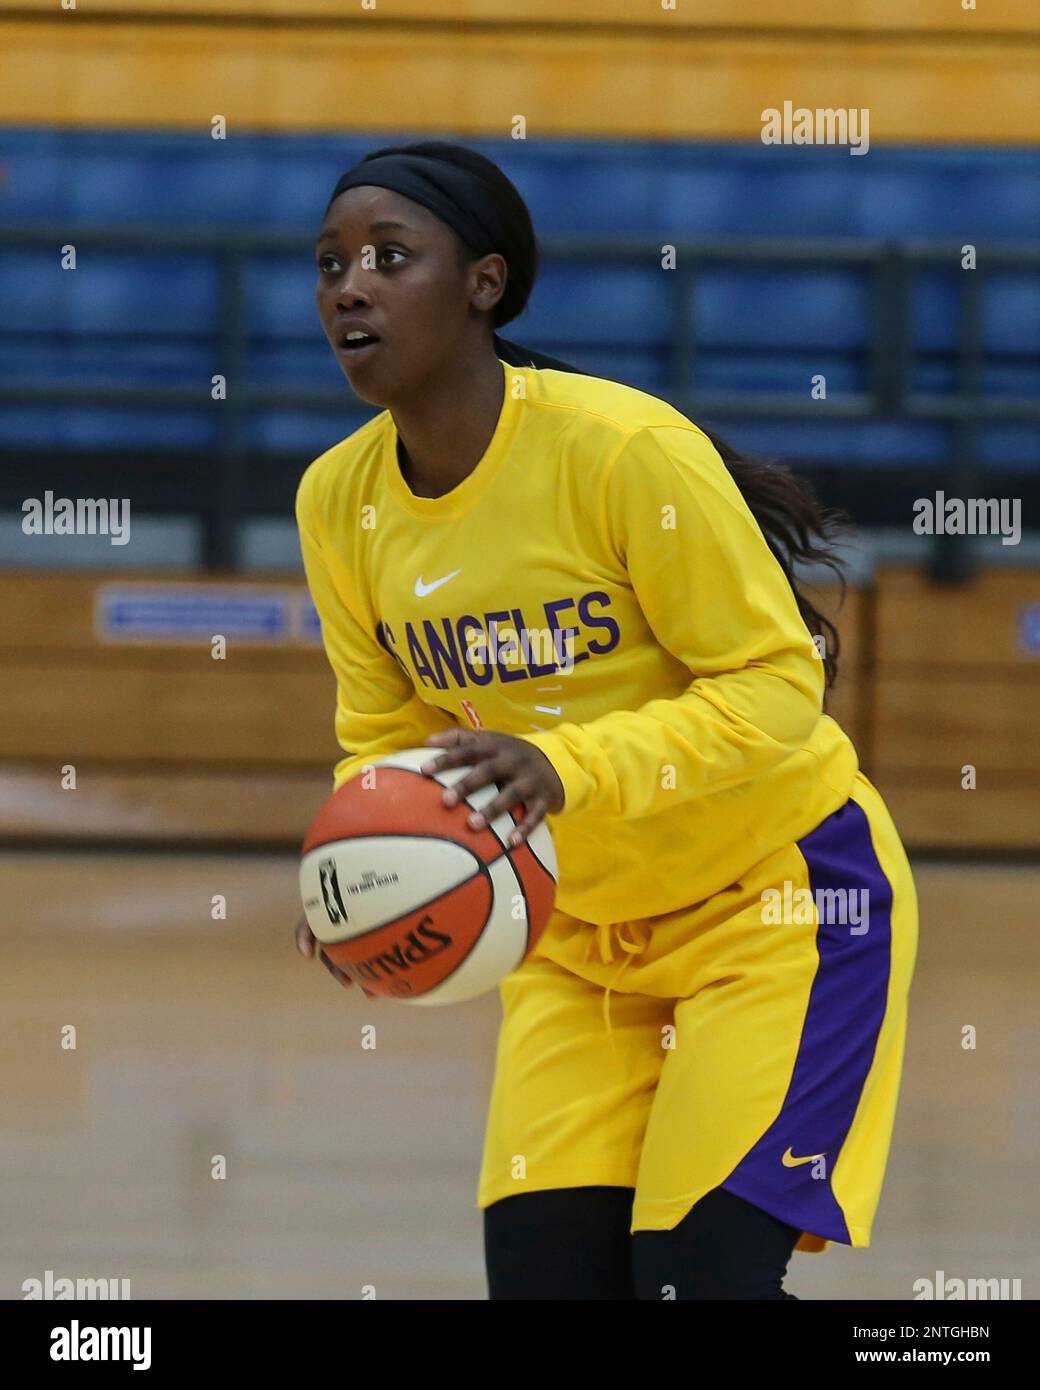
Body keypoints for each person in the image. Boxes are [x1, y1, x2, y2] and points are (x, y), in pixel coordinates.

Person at [293, 139, 918, 1300]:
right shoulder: (338, 501)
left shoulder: (621, 449)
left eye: (389, 256)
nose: (348, 286)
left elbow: (776, 687)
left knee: (694, 1287)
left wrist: (560, 764)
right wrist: (355, 867)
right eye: (330, 263)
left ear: (482, 284)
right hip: (573, 942)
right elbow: (384, 736)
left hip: (777, 906)